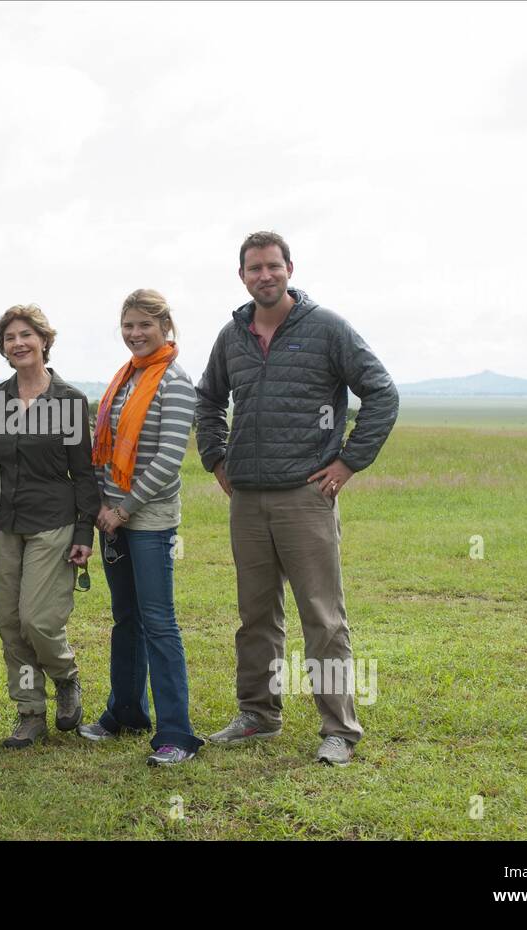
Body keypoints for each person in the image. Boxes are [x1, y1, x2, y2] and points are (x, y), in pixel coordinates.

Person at [195, 230, 399, 767]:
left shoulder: (327, 328)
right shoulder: (231, 336)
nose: (265, 275)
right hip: (247, 498)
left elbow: (381, 391)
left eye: (273, 266)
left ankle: (338, 729)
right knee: (254, 614)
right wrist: (215, 458)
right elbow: (209, 399)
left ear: (290, 268)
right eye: (254, 268)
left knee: (322, 616)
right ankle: (257, 714)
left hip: (306, 496)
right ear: (241, 276)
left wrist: (349, 462)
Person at [77, 289, 205, 766]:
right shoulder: (124, 379)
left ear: (164, 327)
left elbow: (169, 459)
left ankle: (177, 734)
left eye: (144, 325)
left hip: (147, 520)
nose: (135, 333)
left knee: (158, 622)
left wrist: (124, 508)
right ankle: (126, 712)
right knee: (125, 619)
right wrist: (103, 504)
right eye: (128, 325)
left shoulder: (174, 381)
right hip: (113, 515)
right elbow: (102, 447)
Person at [0, 304, 99, 748]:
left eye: (27, 335)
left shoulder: (68, 400)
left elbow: (83, 472)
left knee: (38, 620)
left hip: (53, 519)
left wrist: (85, 531)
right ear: (3, 349)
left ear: (44, 341)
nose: (19, 343)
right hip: (3, 522)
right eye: (10, 338)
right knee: (11, 624)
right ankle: (30, 712)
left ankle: (66, 677)